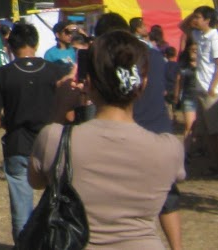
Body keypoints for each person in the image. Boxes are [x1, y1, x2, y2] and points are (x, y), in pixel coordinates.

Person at [30, 30, 184, 249]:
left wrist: (60, 108)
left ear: (88, 82)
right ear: (142, 84)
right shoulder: (169, 148)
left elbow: (36, 181)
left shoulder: (55, 139)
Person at [96, 12, 183, 250]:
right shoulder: (154, 55)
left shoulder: (109, 60)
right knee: (167, 197)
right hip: (159, 131)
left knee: (119, 199)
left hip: (127, 133)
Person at [0, 22, 66, 243]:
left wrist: (10, 121)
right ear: (36, 44)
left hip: (17, 144)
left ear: (10, 46)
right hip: (53, 144)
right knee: (58, 203)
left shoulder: (2, 75)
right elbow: (69, 115)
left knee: (21, 208)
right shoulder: (56, 72)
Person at [187, 6, 218, 172]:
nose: (195, 20)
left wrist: (212, 86)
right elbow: (183, 27)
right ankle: (214, 163)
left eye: (198, 17)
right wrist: (193, 15)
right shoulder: (199, 35)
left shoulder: (215, 38)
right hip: (201, 88)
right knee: (206, 131)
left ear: (207, 20)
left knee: (217, 131)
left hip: (210, 90)